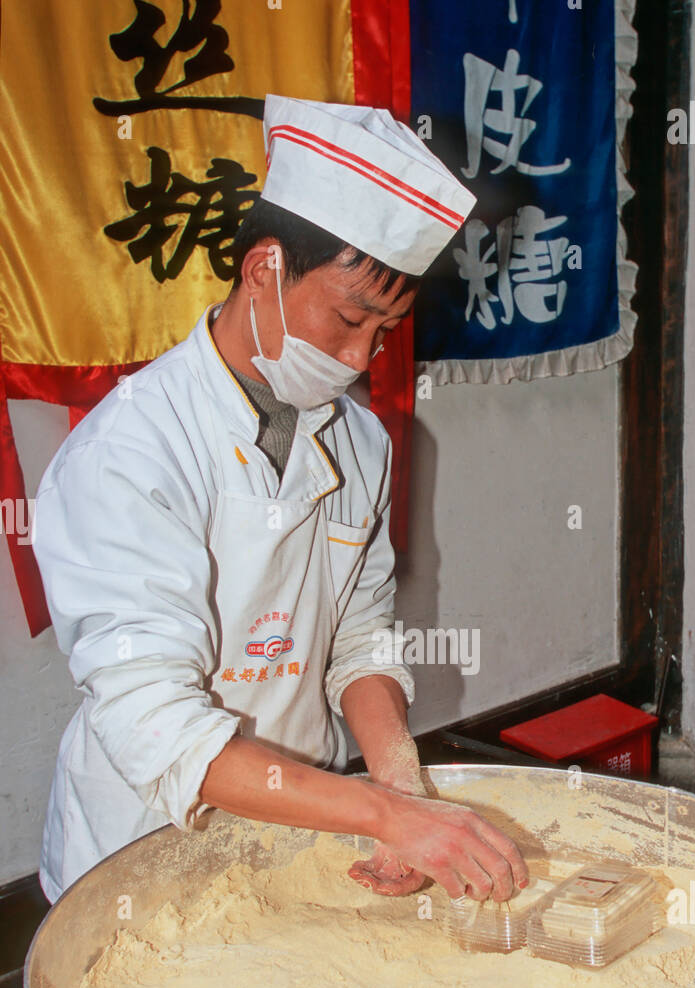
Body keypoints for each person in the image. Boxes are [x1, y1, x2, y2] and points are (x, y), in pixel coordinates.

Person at [34, 95, 528, 906]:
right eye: (348, 318)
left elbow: (359, 638)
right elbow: (156, 724)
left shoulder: (360, 440)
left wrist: (396, 785)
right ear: (264, 268)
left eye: (384, 333)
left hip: (305, 815)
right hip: (144, 843)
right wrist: (380, 813)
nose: (359, 355)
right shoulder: (130, 452)